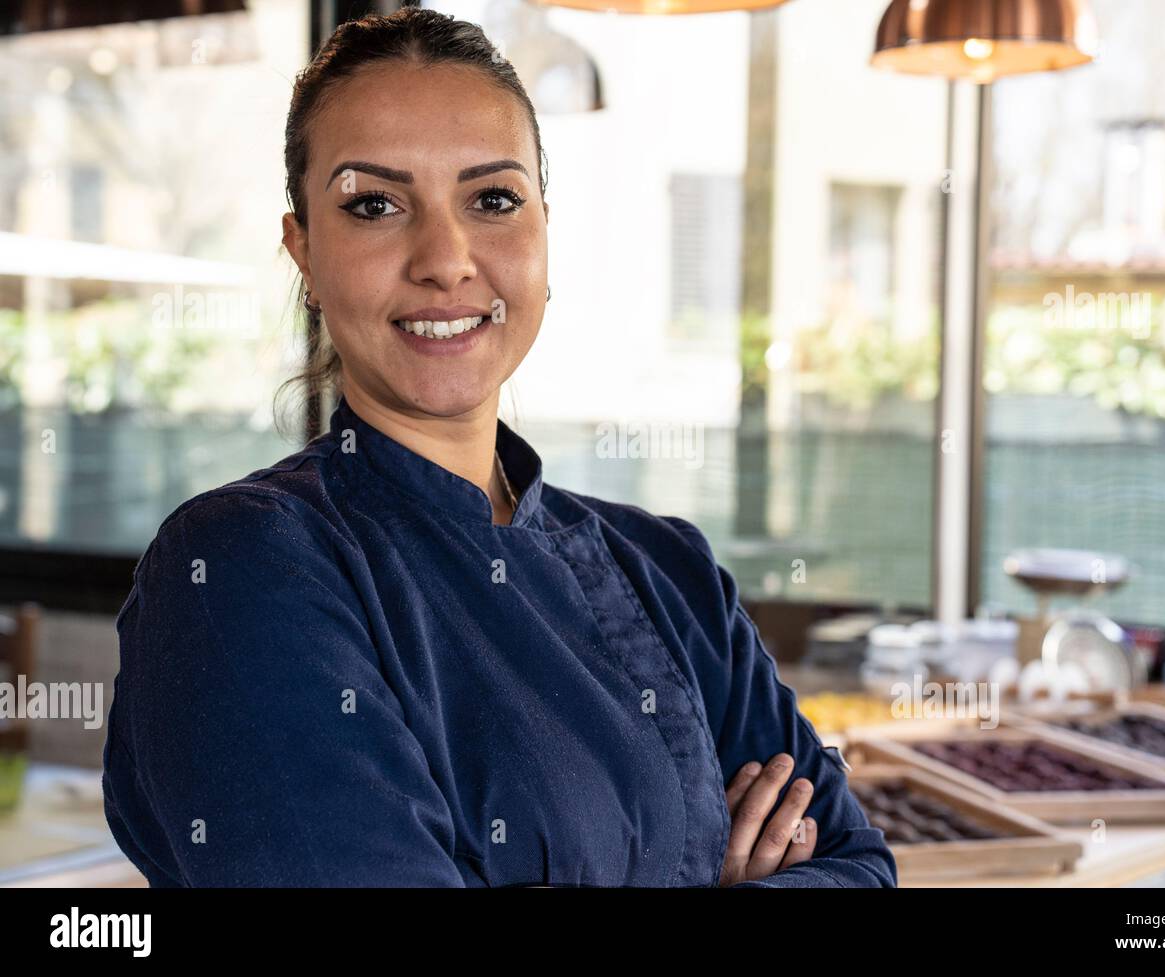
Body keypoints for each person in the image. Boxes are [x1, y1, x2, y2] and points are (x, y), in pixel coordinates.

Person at [102, 6, 897, 889]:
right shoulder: (240, 567)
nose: (446, 258)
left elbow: (860, 866)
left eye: (492, 199)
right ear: (305, 255)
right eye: (374, 204)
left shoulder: (671, 570)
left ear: (544, 232)